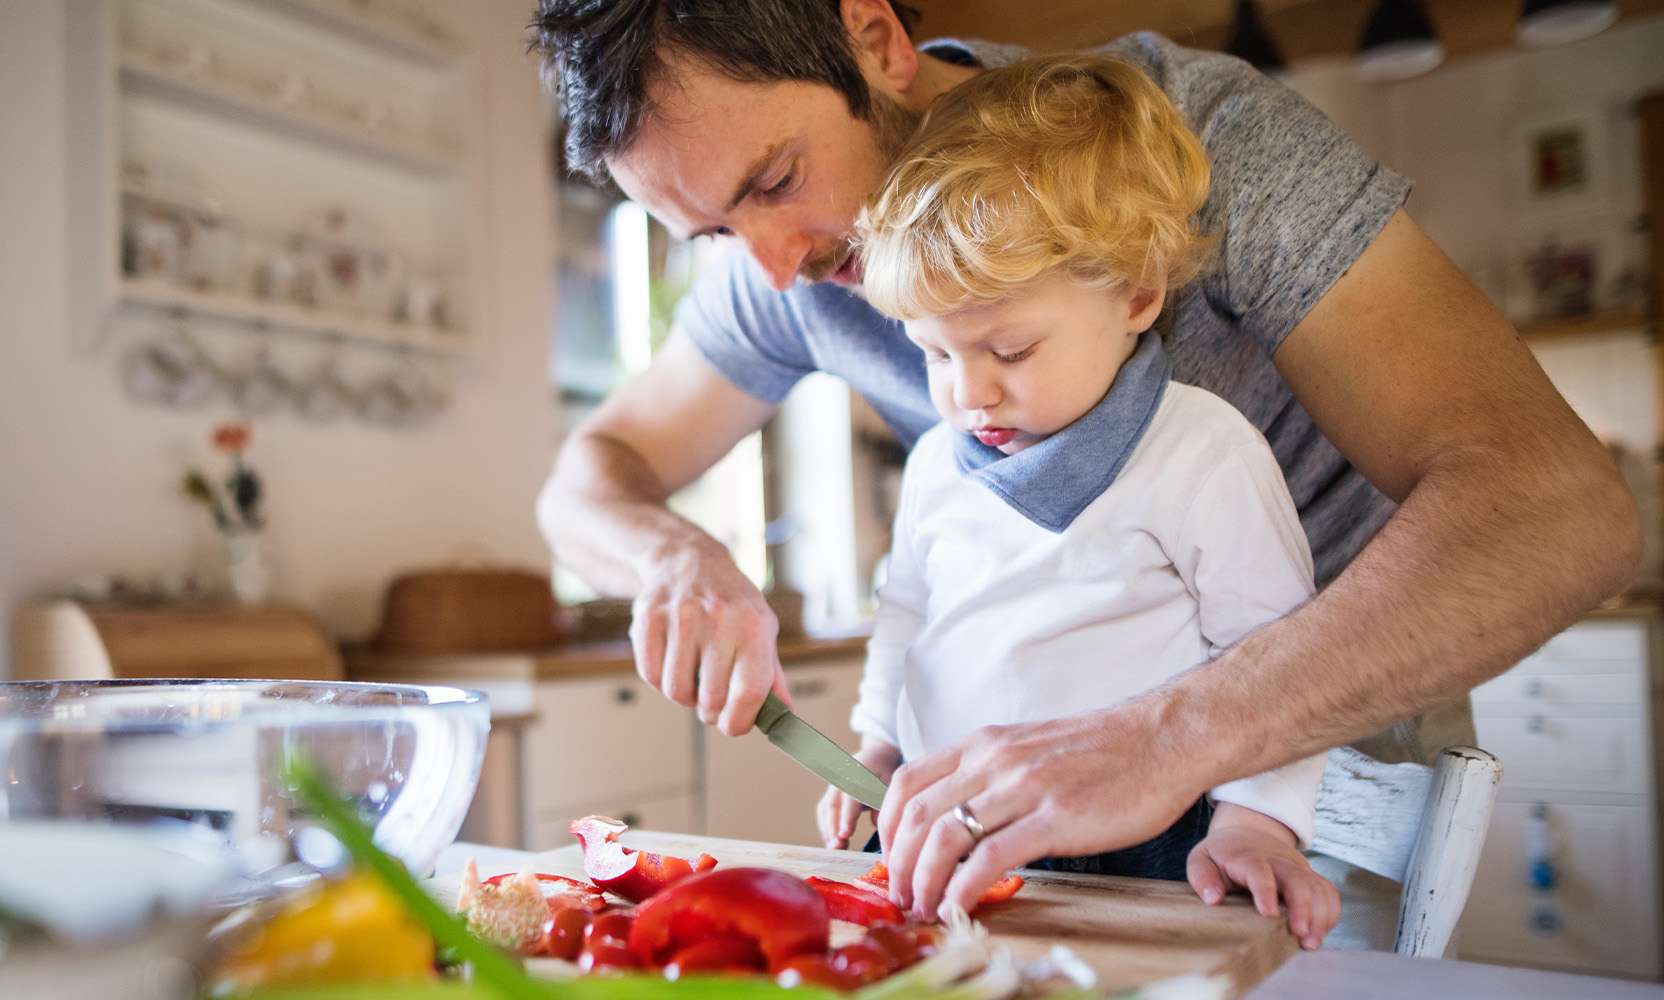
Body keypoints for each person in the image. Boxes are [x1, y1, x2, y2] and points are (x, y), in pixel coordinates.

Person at [528, 0, 1637, 945]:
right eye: (711, 235)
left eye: (774, 178)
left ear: (872, 36)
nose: (773, 274)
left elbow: (1560, 511)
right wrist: (670, 556)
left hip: (1302, 766)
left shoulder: (1197, 145)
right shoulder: (782, 259)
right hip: (1026, 801)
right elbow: (588, 478)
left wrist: (1165, 738)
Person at [821, 52, 1337, 946]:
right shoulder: (943, 464)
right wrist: (877, 742)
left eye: (1009, 351)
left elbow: (1279, 657)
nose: (968, 394)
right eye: (936, 355)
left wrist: (1256, 823)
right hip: (958, 824)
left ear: (1137, 295)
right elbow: (905, 613)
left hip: (1151, 844)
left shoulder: (1202, 452)